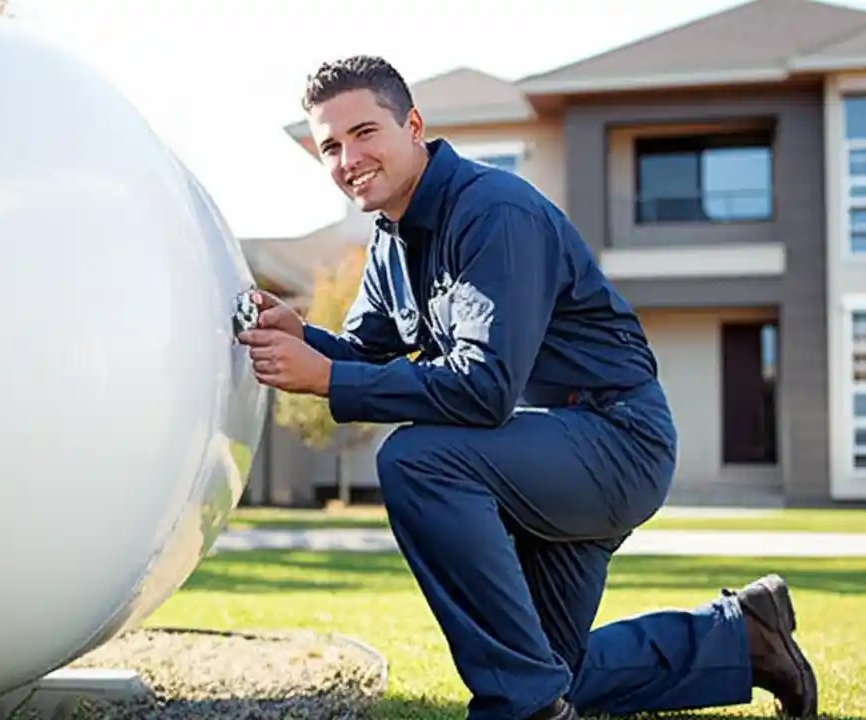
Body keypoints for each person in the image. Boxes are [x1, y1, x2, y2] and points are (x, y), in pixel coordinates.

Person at [236, 55, 818, 720]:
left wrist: (333, 381)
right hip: (534, 453)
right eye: (331, 146)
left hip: (614, 441)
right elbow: (364, 354)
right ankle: (746, 637)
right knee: (553, 668)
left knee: (417, 460)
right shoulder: (390, 245)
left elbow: (482, 389)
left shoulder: (494, 212)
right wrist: (302, 336)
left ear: (414, 126)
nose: (347, 158)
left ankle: (526, 710)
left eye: (364, 132)